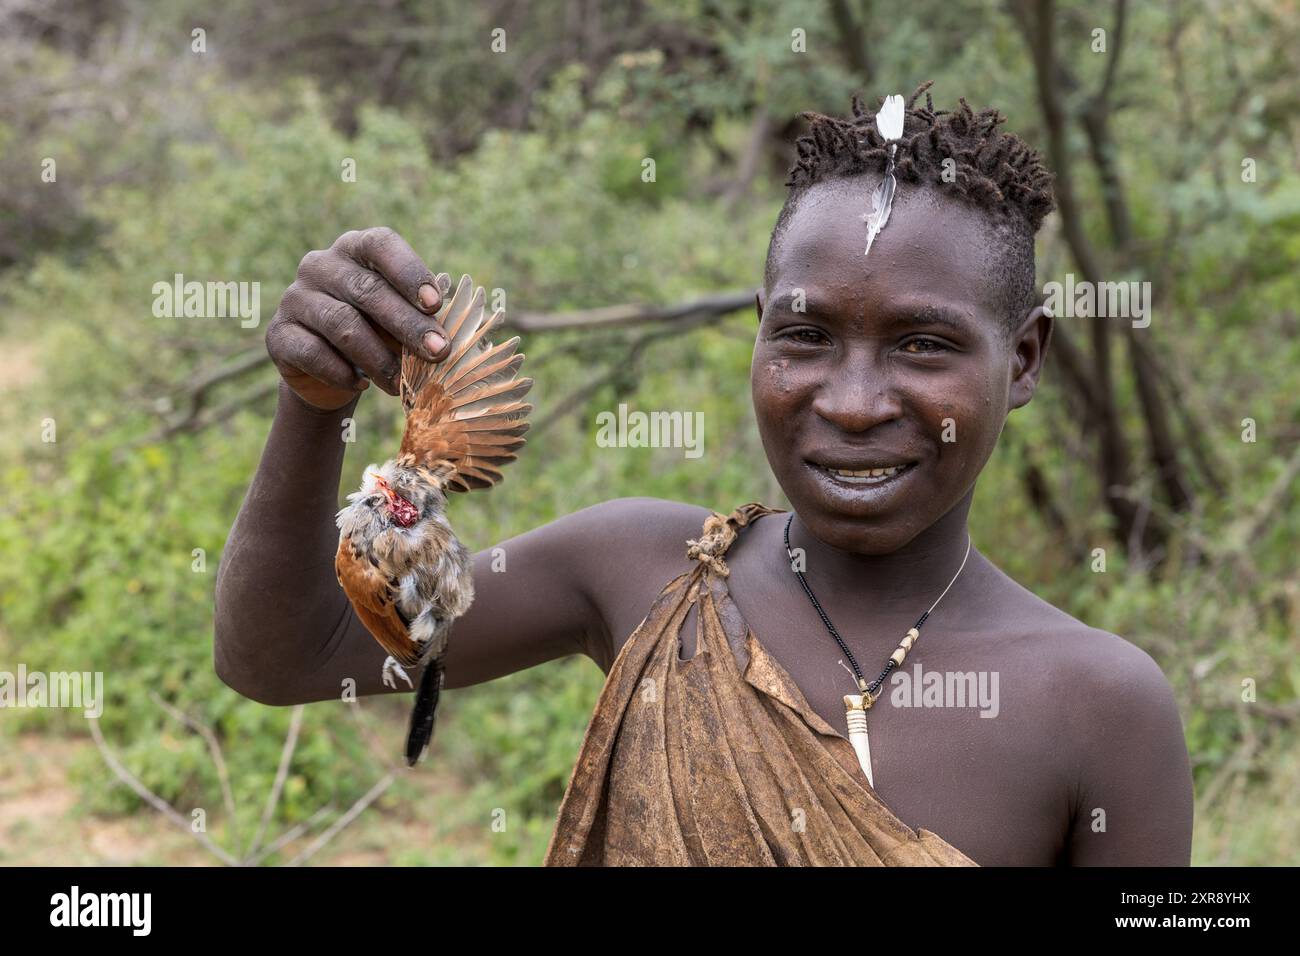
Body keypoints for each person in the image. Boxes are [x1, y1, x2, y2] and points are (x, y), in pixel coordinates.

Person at [214, 85, 1194, 866]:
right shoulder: (644, 572)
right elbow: (290, 652)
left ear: (1021, 359)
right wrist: (315, 400)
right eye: (805, 336)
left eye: (923, 343)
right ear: (758, 330)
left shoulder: (1098, 706)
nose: (852, 400)